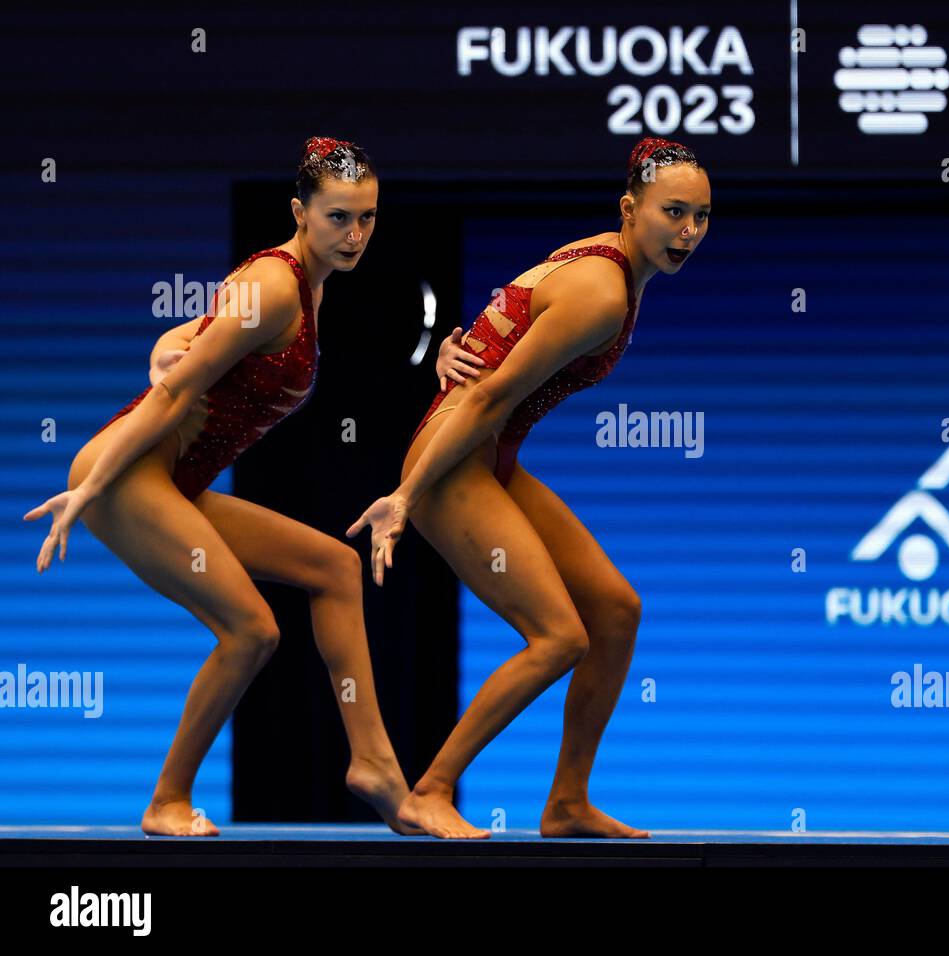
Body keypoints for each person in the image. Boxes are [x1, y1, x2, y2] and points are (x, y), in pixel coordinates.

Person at [23, 137, 421, 836]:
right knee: (251, 630)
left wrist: (159, 352)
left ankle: (375, 766)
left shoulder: (306, 283)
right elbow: (176, 387)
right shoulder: (272, 287)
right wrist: (88, 491)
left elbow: (181, 345)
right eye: (338, 218)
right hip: (125, 474)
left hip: (171, 479)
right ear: (300, 212)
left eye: (367, 218)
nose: (354, 234)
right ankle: (166, 801)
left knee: (335, 568)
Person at [347, 137, 711, 839]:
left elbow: (492, 340)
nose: (688, 233)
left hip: (489, 454)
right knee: (557, 636)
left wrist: (454, 358)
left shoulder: (610, 260)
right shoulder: (603, 293)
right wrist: (408, 494)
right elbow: (488, 399)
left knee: (615, 611)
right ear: (630, 209)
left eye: (701, 216)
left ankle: (568, 803)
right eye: (674, 213)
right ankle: (430, 789)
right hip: (453, 461)